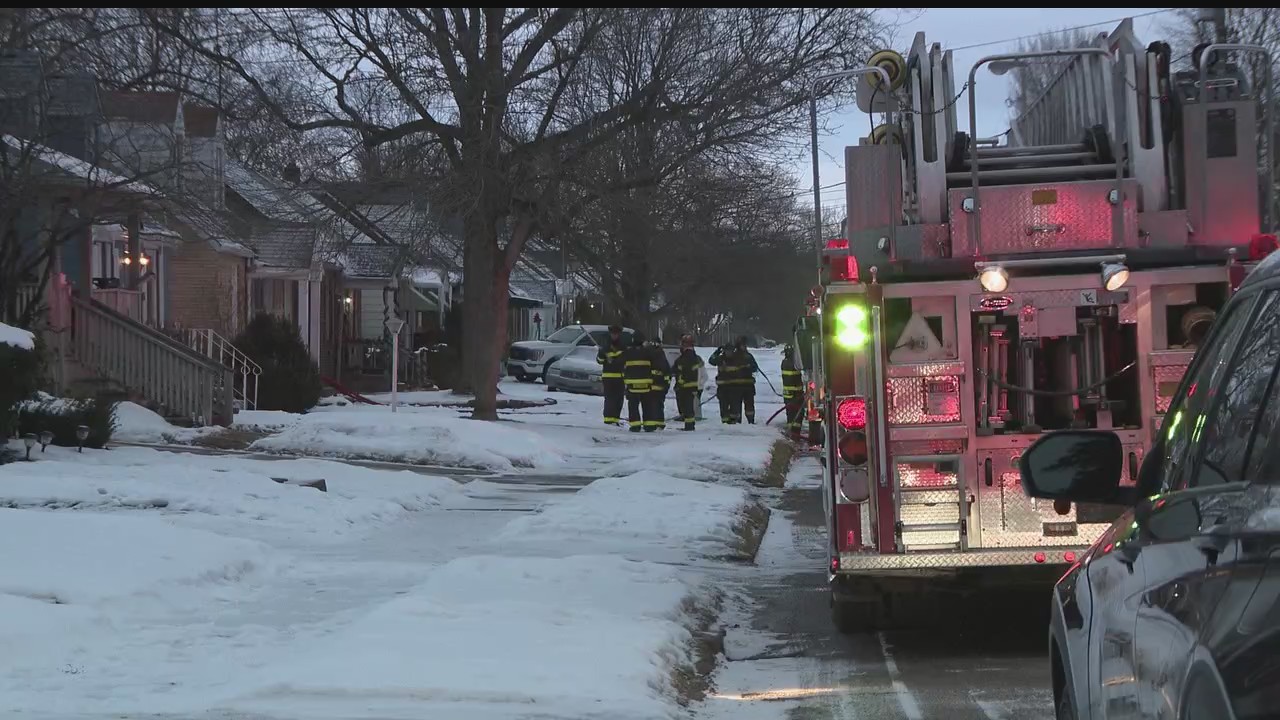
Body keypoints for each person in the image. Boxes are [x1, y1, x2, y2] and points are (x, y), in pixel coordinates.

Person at [622, 331, 654, 432]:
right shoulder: (648, 352)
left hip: (632, 385)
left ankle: (635, 425)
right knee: (648, 405)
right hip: (646, 384)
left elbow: (619, 363)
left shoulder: (628, 352)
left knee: (633, 406)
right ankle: (649, 425)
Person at [671, 335, 704, 431]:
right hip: (693, 386)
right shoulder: (696, 358)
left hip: (684, 387)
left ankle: (689, 426)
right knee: (689, 406)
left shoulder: (682, 359)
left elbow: (675, 370)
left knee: (686, 407)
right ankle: (690, 425)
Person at [596, 324, 626, 426]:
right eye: (613, 334)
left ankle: (615, 419)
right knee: (609, 398)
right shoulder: (605, 346)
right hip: (608, 376)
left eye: (616, 334)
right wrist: (602, 355)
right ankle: (608, 419)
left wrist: (614, 360)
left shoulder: (622, 346)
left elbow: (624, 359)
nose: (614, 336)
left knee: (619, 399)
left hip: (619, 376)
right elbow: (599, 361)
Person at [709, 341, 743, 423]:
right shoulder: (720, 359)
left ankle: (734, 421)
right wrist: (716, 352)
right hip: (722, 388)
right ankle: (725, 422)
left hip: (734, 388)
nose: (728, 352)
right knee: (723, 407)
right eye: (727, 350)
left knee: (734, 407)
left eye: (730, 351)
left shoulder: (737, 359)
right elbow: (711, 360)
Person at [735, 336, 761, 424]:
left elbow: (755, 367)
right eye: (743, 345)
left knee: (749, 405)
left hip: (748, 385)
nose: (744, 347)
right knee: (737, 405)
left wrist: (749, 368)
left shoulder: (748, 356)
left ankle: (751, 420)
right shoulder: (734, 356)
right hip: (737, 386)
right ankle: (737, 421)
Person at [646, 339, 672, 430]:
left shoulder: (650, 355)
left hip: (651, 386)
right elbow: (667, 373)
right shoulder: (661, 356)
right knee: (658, 405)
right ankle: (659, 424)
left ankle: (654, 424)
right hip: (659, 387)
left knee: (652, 405)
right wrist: (666, 386)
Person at [781, 344, 804, 440]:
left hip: (788, 395)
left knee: (791, 414)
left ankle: (793, 434)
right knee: (798, 414)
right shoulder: (794, 364)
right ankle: (795, 434)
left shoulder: (784, 362)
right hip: (796, 394)